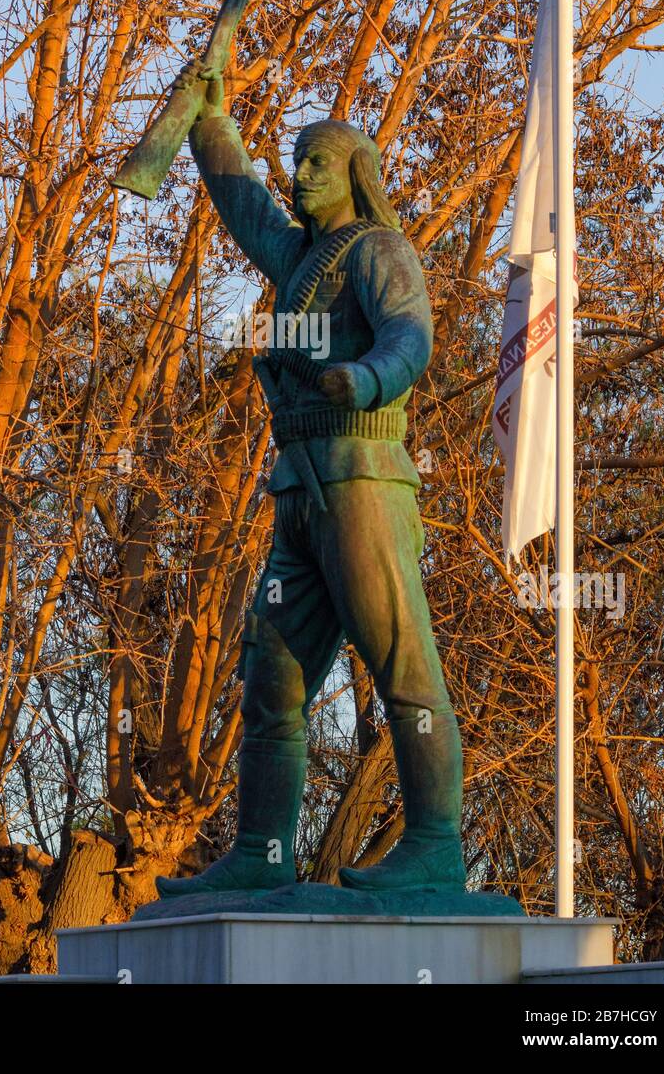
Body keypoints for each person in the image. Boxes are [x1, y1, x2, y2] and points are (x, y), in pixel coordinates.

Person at [157, 61, 465, 896]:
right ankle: (260, 854)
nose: (298, 175)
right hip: (298, 495)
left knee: (402, 665)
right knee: (272, 680)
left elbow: (410, 337)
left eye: (316, 161)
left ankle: (435, 843)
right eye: (296, 160)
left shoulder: (379, 249)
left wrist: (362, 379)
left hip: (363, 483)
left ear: (355, 174)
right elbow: (242, 201)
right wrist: (209, 123)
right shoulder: (298, 258)